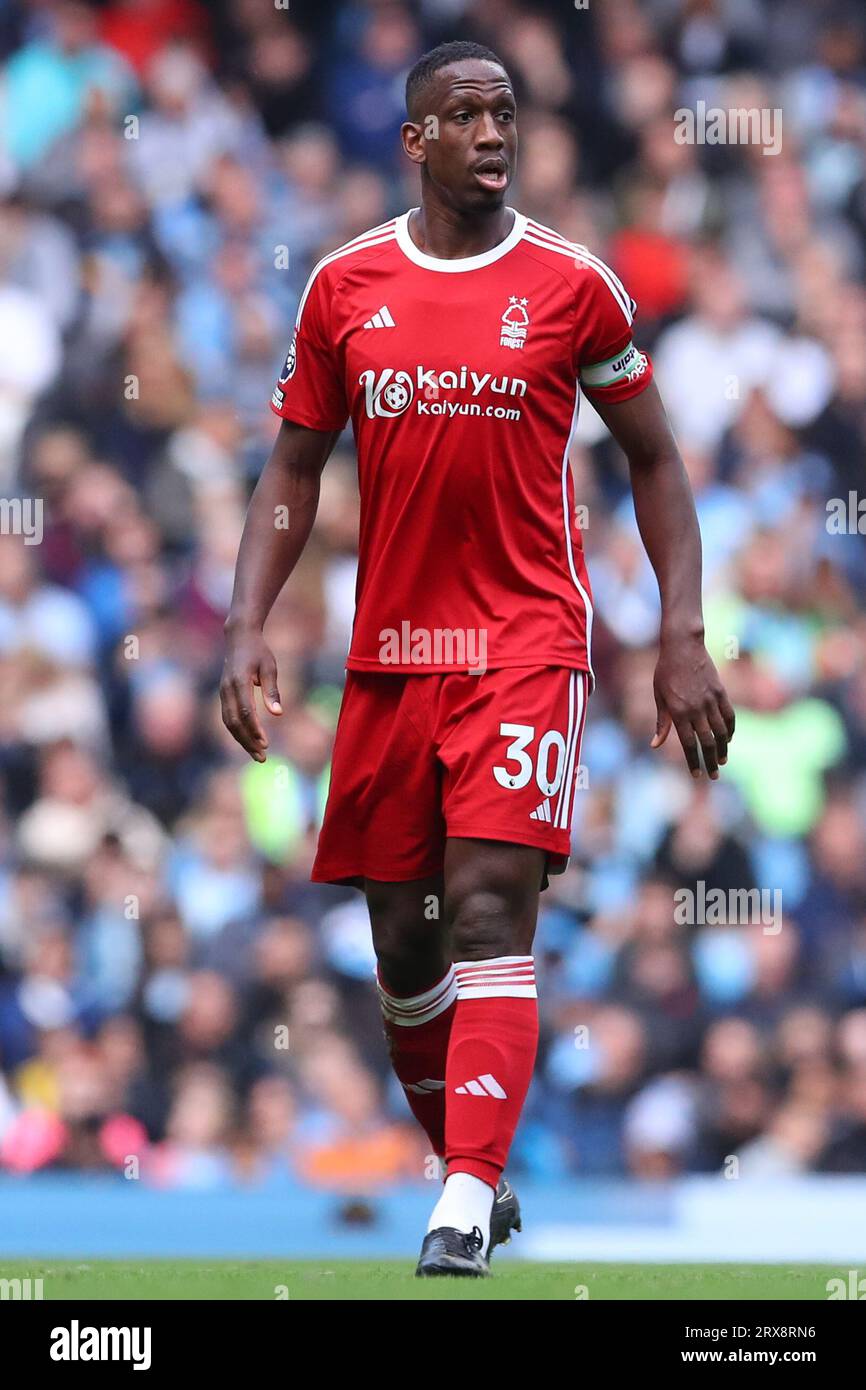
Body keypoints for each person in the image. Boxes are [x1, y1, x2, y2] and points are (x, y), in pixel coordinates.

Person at [220, 40, 735, 1277]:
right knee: (403, 941)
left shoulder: (572, 284)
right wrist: (244, 622)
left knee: (490, 907)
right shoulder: (345, 286)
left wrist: (679, 633)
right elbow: (293, 467)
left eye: (504, 112)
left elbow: (656, 459)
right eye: (464, 115)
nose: (492, 133)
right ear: (415, 140)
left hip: (523, 646)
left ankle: (459, 1200)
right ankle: (471, 1159)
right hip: (391, 657)